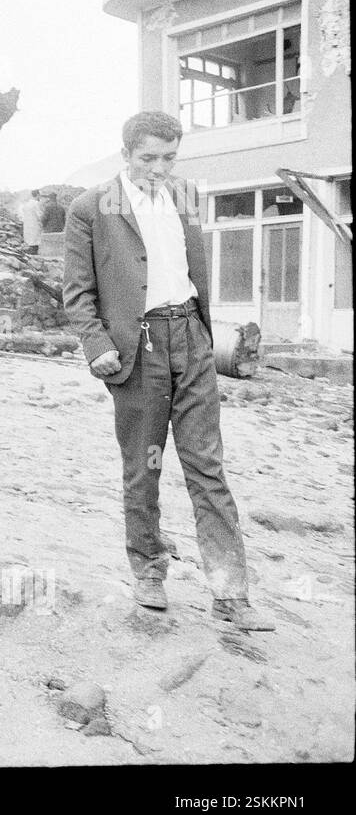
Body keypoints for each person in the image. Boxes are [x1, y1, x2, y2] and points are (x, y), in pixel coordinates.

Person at [62, 110, 273, 632]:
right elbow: (78, 291)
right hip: (139, 351)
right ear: (126, 154)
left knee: (208, 468)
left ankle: (230, 595)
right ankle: (150, 572)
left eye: (170, 158)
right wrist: (97, 346)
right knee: (144, 466)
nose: (160, 169)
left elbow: (191, 269)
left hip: (192, 341)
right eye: (149, 158)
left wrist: (203, 333)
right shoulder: (91, 208)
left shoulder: (184, 197)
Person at [19, 188, 43, 254]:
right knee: (35, 242)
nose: (40, 197)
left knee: (30, 241)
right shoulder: (36, 204)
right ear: (37, 195)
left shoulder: (26, 204)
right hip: (34, 226)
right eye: (39, 195)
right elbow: (39, 215)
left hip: (27, 226)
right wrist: (42, 223)